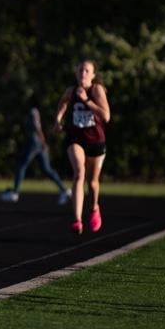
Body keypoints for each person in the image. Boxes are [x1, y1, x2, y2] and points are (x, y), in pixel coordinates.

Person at [54, 59, 111, 235]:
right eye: (80, 70)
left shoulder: (96, 90)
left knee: (92, 183)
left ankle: (94, 208)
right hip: (75, 137)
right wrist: (57, 120)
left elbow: (106, 116)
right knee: (79, 173)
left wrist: (87, 101)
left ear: (93, 75)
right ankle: (77, 220)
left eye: (87, 71)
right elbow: (63, 103)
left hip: (95, 141)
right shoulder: (71, 91)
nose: (83, 74)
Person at [0, 93, 71, 205]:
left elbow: (37, 129)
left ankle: (15, 192)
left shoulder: (33, 111)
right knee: (47, 169)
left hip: (34, 142)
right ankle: (63, 190)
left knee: (21, 165)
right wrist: (43, 143)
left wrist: (43, 142)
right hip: (38, 143)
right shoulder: (35, 111)